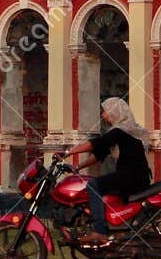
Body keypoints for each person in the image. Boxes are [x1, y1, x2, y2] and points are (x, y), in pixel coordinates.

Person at [63, 97, 152, 246]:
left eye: (104, 111)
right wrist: (77, 168)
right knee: (103, 187)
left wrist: (68, 152)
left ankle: (99, 231)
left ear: (114, 112)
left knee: (92, 185)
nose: (103, 115)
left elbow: (95, 143)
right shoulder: (125, 130)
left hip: (131, 176)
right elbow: (99, 153)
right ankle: (117, 228)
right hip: (134, 176)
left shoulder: (121, 130)